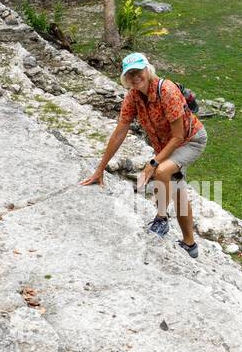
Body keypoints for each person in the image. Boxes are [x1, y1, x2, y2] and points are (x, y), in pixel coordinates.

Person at [80, 52, 207, 258]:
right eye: (130, 74)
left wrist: (153, 162)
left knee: (161, 172)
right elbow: (120, 132)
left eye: (138, 71)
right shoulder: (133, 96)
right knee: (177, 190)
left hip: (190, 140)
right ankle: (190, 245)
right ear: (125, 78)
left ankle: (161, 219)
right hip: (167, 145)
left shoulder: (167, 91)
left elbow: (178, 136)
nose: (135, 76)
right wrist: (100, 169)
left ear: (148, 70)